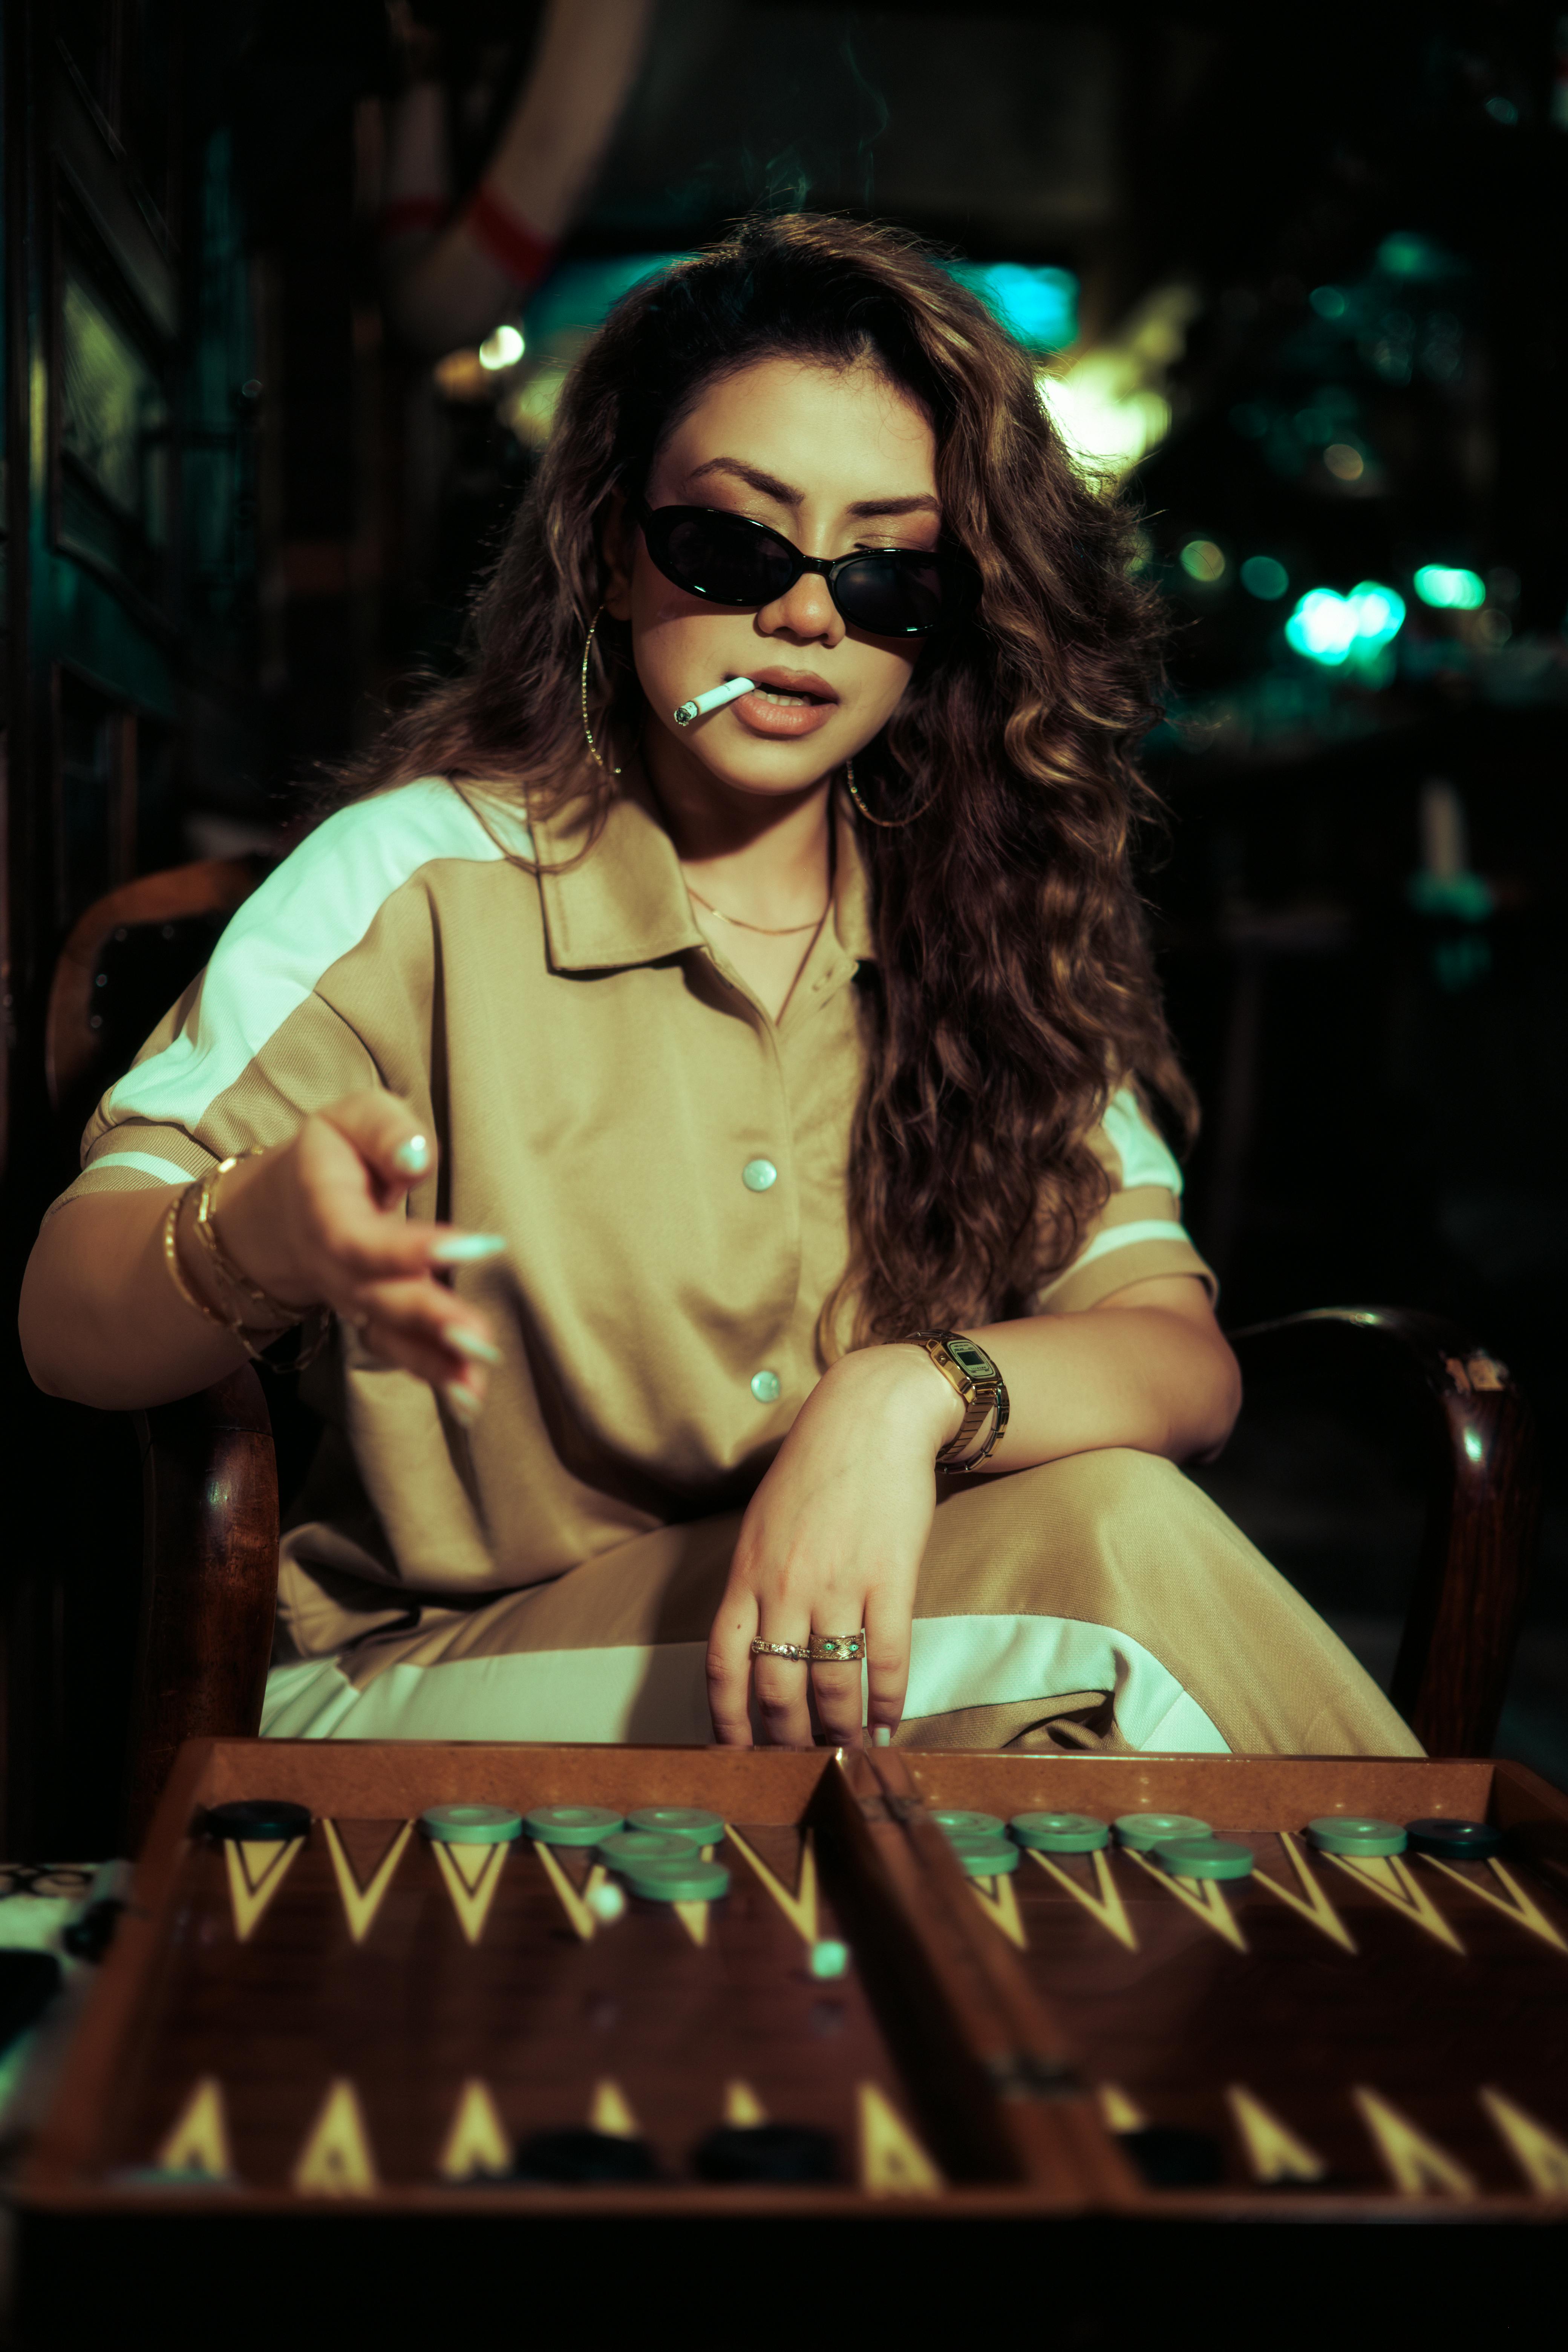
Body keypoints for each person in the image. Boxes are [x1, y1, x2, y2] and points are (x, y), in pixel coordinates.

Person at [19, 214, 1418, 1760]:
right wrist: (258, 1236)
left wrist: (902, 1400)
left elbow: (1174, 1356)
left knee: (1090, 1793)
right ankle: (1469, 1965)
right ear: (614, 555)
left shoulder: (980, 921)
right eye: (738, 547)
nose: (808, 613)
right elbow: (63, 1324)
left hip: (856, 1655)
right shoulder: (415, 878)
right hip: (433, 1681)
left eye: (885, 573)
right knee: (1110, 1572)